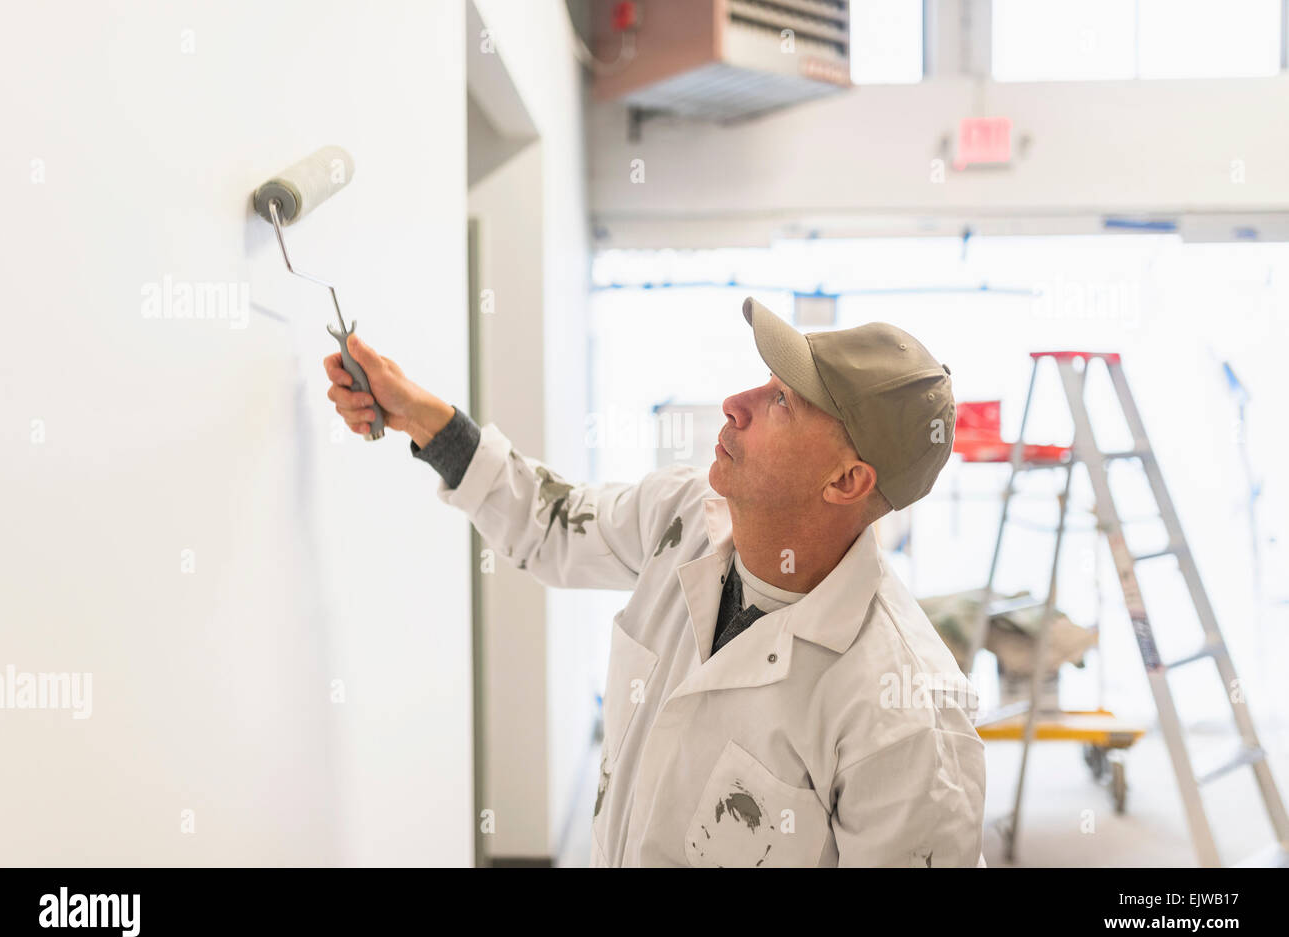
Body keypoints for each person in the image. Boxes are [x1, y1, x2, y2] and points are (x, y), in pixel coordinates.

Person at [325, 296, 986, 867]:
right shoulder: (683, 517)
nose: (736, 403)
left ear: (847, 480)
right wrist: (420, 416)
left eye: (782, 400)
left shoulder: (907, 714)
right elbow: (549, 524)